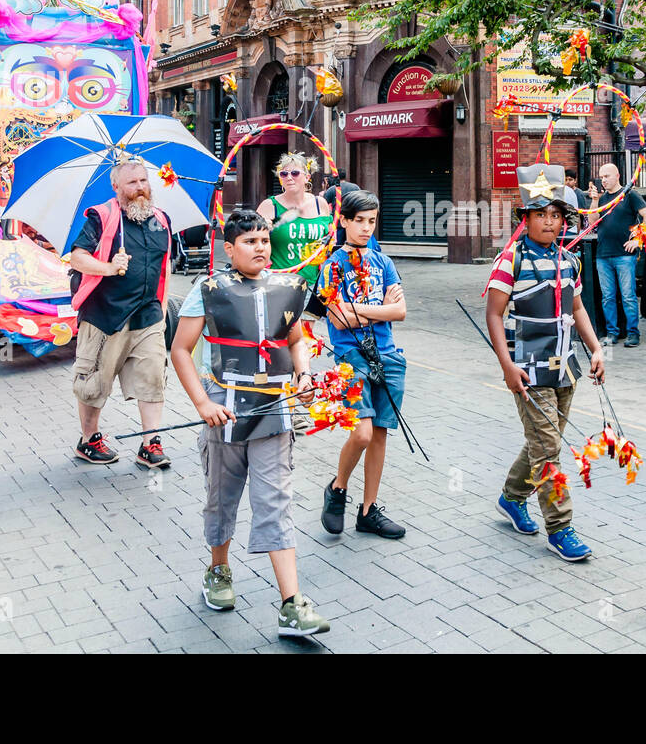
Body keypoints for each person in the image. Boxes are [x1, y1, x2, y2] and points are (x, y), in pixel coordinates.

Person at [169, 208, 330, 638]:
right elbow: (181, 349)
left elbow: (296, 338)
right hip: (224, 407)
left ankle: (291, 605)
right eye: (250, 242)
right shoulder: (206, 290)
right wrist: (203, 403)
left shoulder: (288, 287)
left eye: (264, 240)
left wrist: (304, 373)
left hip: (274, 408)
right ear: (229, 248)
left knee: (276, 499)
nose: (260, 248)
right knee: (221, 497)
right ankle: (218, 570)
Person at [487, 164, 606, 561]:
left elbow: (577, 307)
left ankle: (511, 497)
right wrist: (507, 366)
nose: (550, 222)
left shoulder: (569, 262)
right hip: (527, 367)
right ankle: (561, 527)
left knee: (543, 441)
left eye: (556, 215)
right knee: (549, 448)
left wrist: (596, 349)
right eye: (541, 214)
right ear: (526, 218)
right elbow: (493, 314)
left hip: (565, 367)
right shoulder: (511, 261)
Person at [68, 159, 173, 467]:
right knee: (94, 383)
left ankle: (150, 443)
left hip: (148, 315)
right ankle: (89, 440)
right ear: (116, 187)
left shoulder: (161, 219)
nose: (139, 187)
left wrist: (163, 309)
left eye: (143, 181)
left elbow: (164, 267)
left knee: (153, 377)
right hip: (105, 316)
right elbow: (77, 257)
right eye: (131, 183)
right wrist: (110, 267)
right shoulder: (101, 217)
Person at [317, 190, 409, 540]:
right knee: (363, 432)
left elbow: (399, 312)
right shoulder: (332, 265)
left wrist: (362, 313)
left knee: (381, 432)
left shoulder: (383, 262)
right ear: (343, 221)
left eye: (372, 221)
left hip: (388, 354)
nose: (366, 228)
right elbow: (338, 321)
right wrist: (378, 311)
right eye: (359, 220)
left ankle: (369, 510)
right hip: (351, 357)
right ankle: (338, 488)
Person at [587, 163, 646, 347]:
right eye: (601, 177)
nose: (603, 180)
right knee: (608, 296)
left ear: (617, 175)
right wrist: (593, 200)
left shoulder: (629, 194)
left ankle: (633, 333)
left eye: (607, 176)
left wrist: (638, 240)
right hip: (603, 254)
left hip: (624, 254)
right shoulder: (602, 199)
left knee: (628, 296)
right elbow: (593, 222)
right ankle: (612, 333)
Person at [256, 152, 333, 296]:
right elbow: (250, 241)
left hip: (313, 285)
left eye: (295, 173)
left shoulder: (319, 204)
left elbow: (330, 241)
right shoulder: (269, 206)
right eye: (284, 174)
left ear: (307, 177)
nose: (289, 177)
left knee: (309, 319)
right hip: (278, 285)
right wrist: (260, 230)